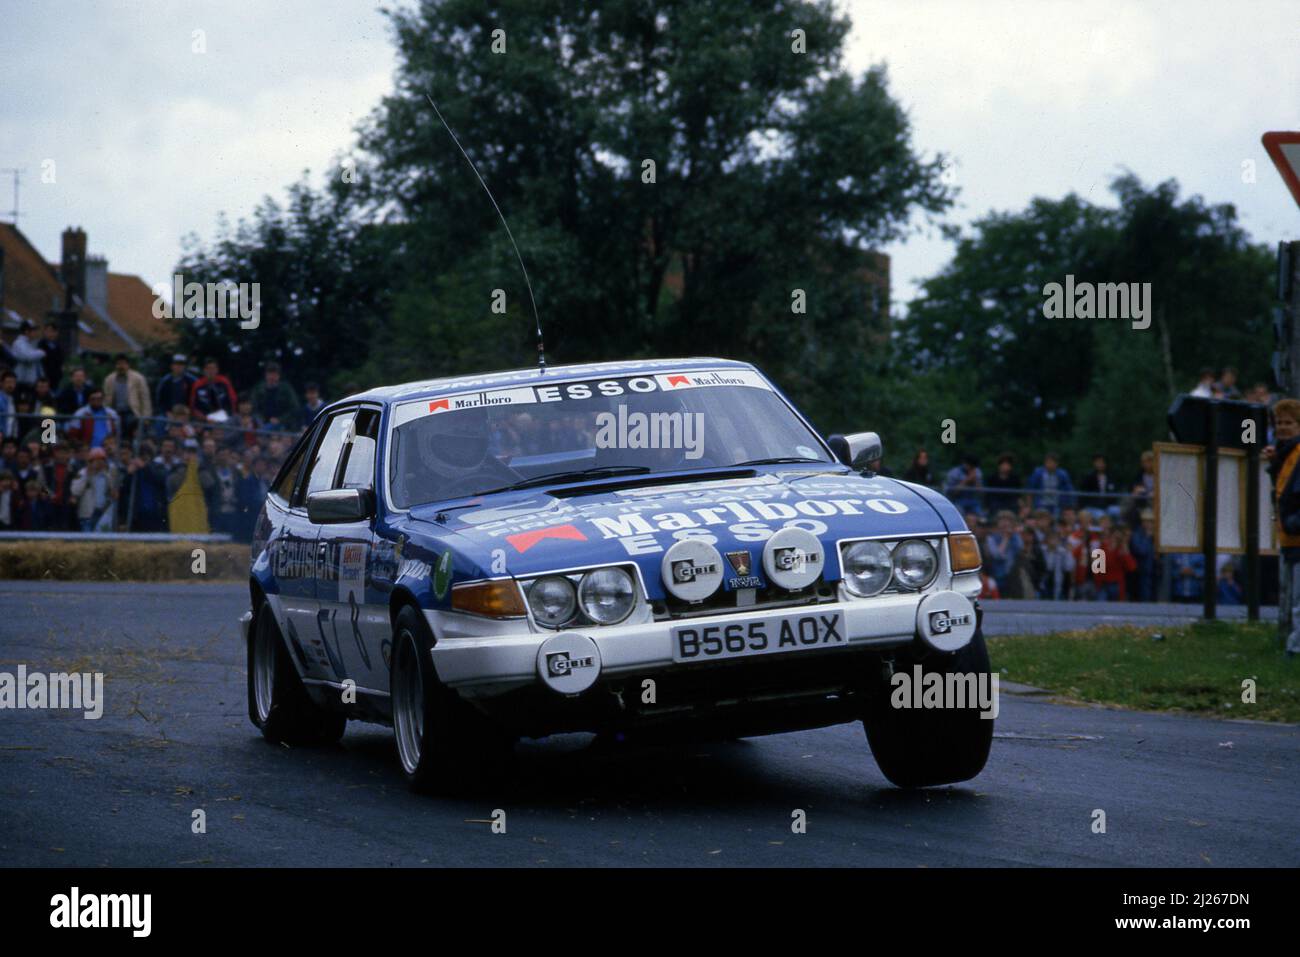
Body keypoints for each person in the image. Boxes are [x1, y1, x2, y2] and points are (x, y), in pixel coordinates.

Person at [1265, 398, 1300, 657]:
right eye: (1279, 422)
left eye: (1289, 422)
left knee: (1299, 602)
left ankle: (1295, 650)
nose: (1283, 427)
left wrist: (1293, 523)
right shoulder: (1286, 453)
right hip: (1290, 538)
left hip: (1296, 535)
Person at [102, 353, 152, 439]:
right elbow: (106, 398)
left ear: (128, 364)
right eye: (118, 364)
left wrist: (146, 417)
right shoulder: (109, 379)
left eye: (123, 363)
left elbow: (145, 399)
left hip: (132, 412)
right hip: (115, 412)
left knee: (130, 433)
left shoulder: (138, 378)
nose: (121, 366)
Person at [71, 447, 119, 533]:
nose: (99, 463)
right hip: (88, 514)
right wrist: (87, 476)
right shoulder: (82, 473)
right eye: (96, 460)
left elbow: (112, 493)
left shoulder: (106, 475)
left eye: (102, 460)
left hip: (102, 512)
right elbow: (75, 491)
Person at [250, 360, 300, 431]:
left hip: (284, 425)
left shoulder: (286, 389)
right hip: (263, 424)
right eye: (270, 374)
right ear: (266, 375)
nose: (272, 377)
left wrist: (280, 420)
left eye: (274, 374)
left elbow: (295, 408)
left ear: (278, 376)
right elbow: (253, 408)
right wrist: (261, 420)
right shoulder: (258, 389)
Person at [1026, 451, 1075, 516]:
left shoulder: (1063, 474)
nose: (1048, 464)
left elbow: (1069, 492)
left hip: (1057, 505)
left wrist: (1067, 506)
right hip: (1041, 504)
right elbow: (1030, 490)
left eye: (1051, 462)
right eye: (1047, 462)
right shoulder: (1038, 473)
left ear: (1056, 463)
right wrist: (1029, 507)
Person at [9, 321, 47, 397]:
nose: (35, 333)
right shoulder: (19, 343)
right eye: (33, 330)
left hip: (30, 383)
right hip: (21, 382)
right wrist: (41, 352)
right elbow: (27, 356)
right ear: (26, 331)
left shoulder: (30, 343)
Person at [39, 322, 64, 388]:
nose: (49, 334)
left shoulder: (58, 346)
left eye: (52, 331)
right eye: (47, 331)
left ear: (56, 333)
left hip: (56, 378)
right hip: (43, 377)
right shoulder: (41, 344)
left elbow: (60, 361)